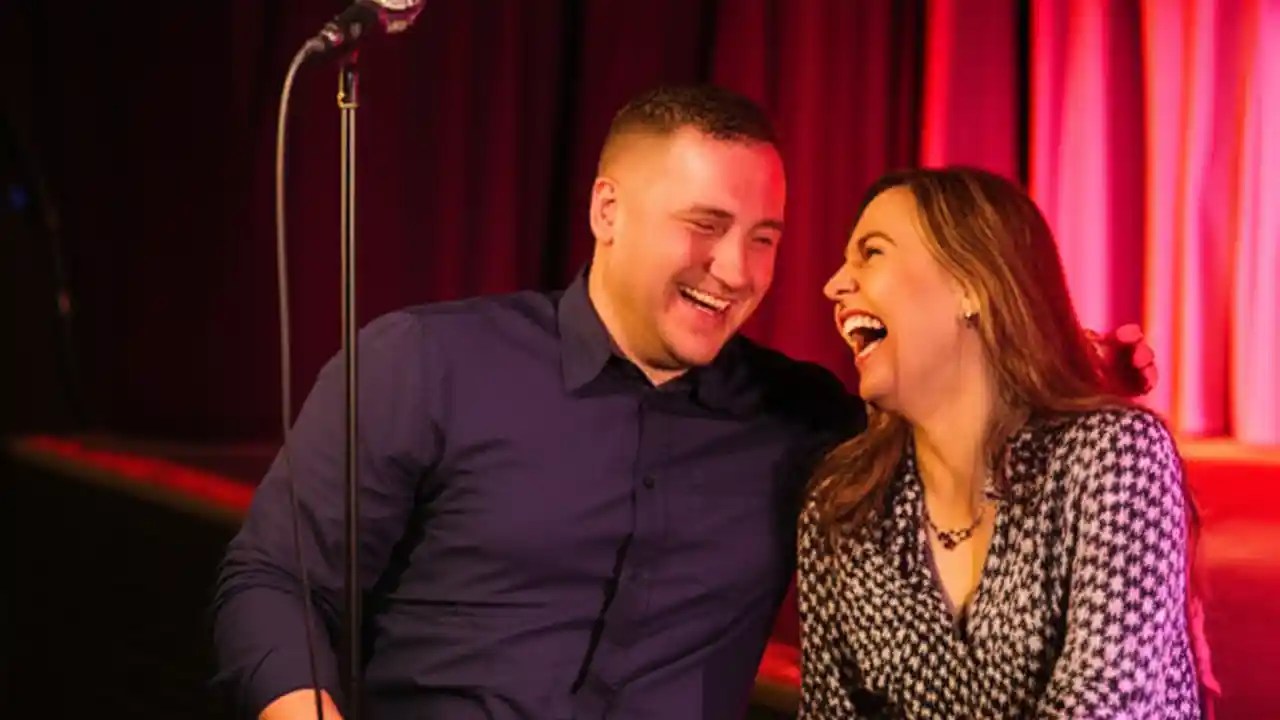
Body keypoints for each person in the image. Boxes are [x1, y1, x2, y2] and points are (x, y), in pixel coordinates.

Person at [213, 85, 1151, 720]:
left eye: (765, 238)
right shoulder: (426, 361)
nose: (737, 272)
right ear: (607, 209)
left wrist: (1085, 356)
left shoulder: (803, 422)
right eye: (705, 227)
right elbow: (273, 581)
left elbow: (968, 395)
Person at [797, 167, 1203, 718]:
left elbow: (1101, 708)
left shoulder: (1112, 457)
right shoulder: (843, 505)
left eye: (872, 253)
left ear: (972, 285)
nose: (835, 284)